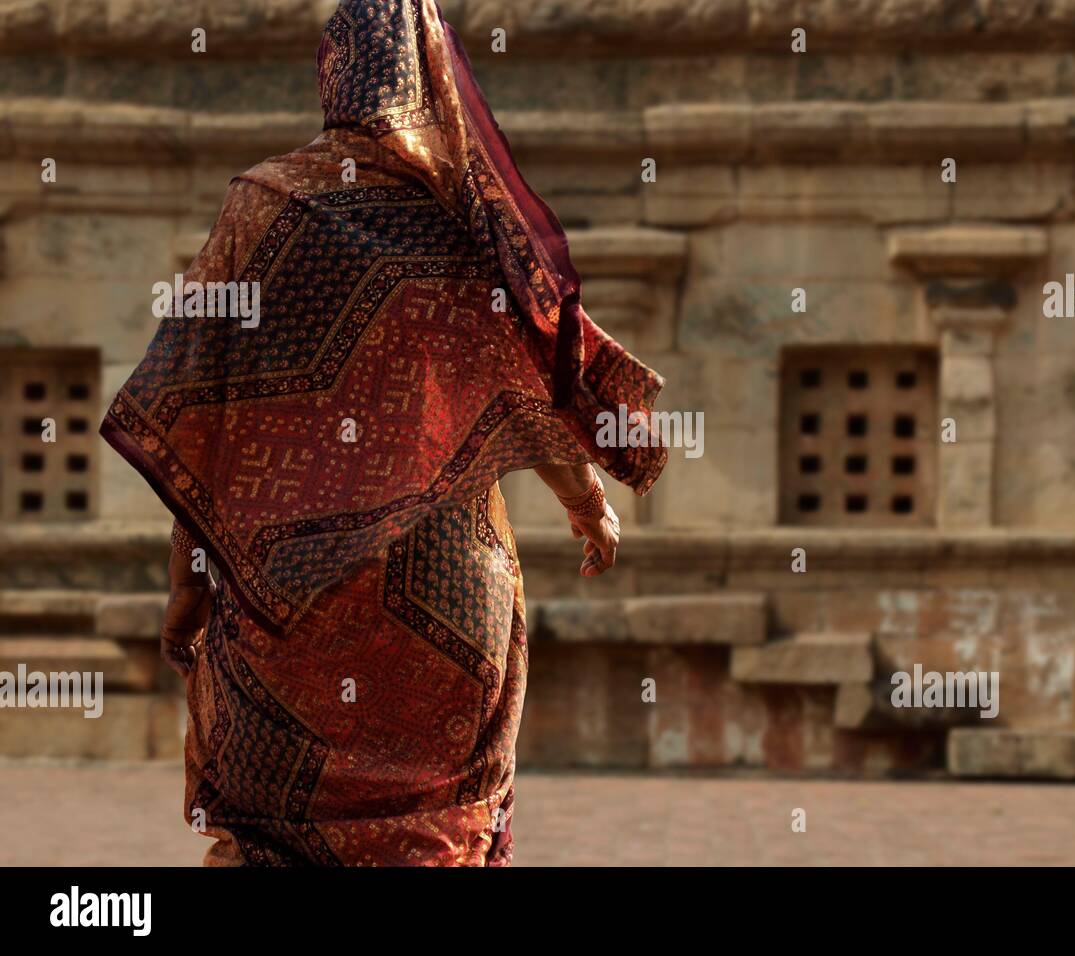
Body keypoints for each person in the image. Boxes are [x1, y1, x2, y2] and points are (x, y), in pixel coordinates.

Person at [100, 0, 666, 866]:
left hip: (289, 602)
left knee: (275, 841)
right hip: (453, 600)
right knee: (444, 835)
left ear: (333, 75)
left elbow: (201, 418)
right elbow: (527, 381)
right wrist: (585, 500)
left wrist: (188, 588)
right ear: (432, 78)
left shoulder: (263, 207)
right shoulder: (465, 226)